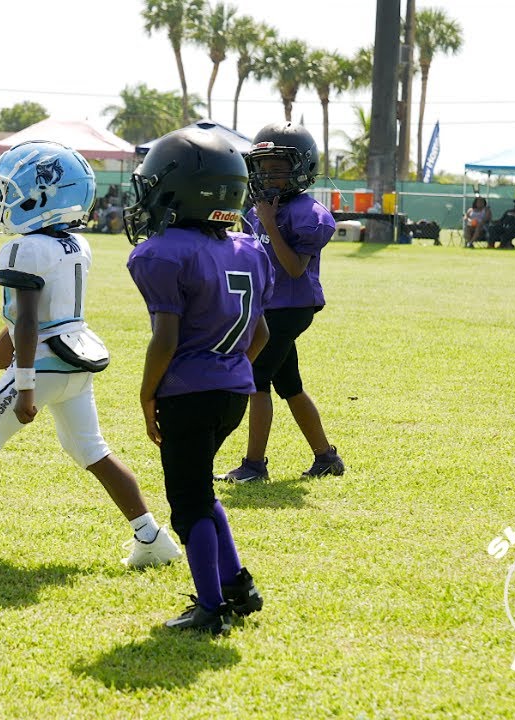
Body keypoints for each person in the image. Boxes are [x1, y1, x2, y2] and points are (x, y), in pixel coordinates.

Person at [0, 140, 181, 568]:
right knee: (93, 451)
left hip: (41, 363)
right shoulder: (75, 245)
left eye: (9, 191)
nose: (1, 201)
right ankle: (152, 537)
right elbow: (41, 308)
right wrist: (6, 336)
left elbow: (29, 319)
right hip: (75, 361)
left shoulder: (22, 249)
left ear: (43, 196)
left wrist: (24, 386)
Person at [125, 128, 272, 634]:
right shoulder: (249, 249)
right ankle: (237, 586)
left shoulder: (163, 253)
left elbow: (164, 340)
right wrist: (229, 366)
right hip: (233, 391)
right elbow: (261, 333)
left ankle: (212, 608)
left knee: (187, 506)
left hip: (188, 393)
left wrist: (147, 394)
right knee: (202, 493)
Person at [223, 121, 344, 483]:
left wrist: (271, 224)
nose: (268, 175)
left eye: (278, 168)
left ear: (302, 168)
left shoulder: (307, 214)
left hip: (291, 307)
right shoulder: (259, 207)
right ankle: (326, 457)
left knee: (256, 379)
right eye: (262, 167)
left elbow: (293, 269)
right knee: (288, 383)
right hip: (269, 306)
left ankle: (254, 466)